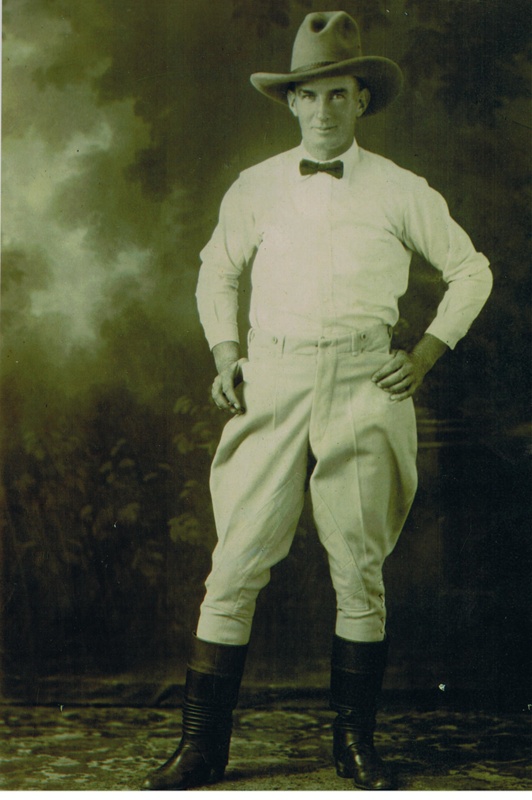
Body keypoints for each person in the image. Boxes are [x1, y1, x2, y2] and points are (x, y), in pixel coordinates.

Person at [143, 11, 492, 792]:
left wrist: (427, 353)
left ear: (362, 101)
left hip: (368, 384)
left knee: (358, 567)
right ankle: (203, 748)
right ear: (291, 103)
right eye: (311, 96)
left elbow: (472, 270)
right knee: (234, 562)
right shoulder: (256, 187)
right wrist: (226, 353)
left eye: (340, 94)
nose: (325, 110)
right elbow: (215, 272)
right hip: (273, 378)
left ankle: (354, 748)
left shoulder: (402, 190)